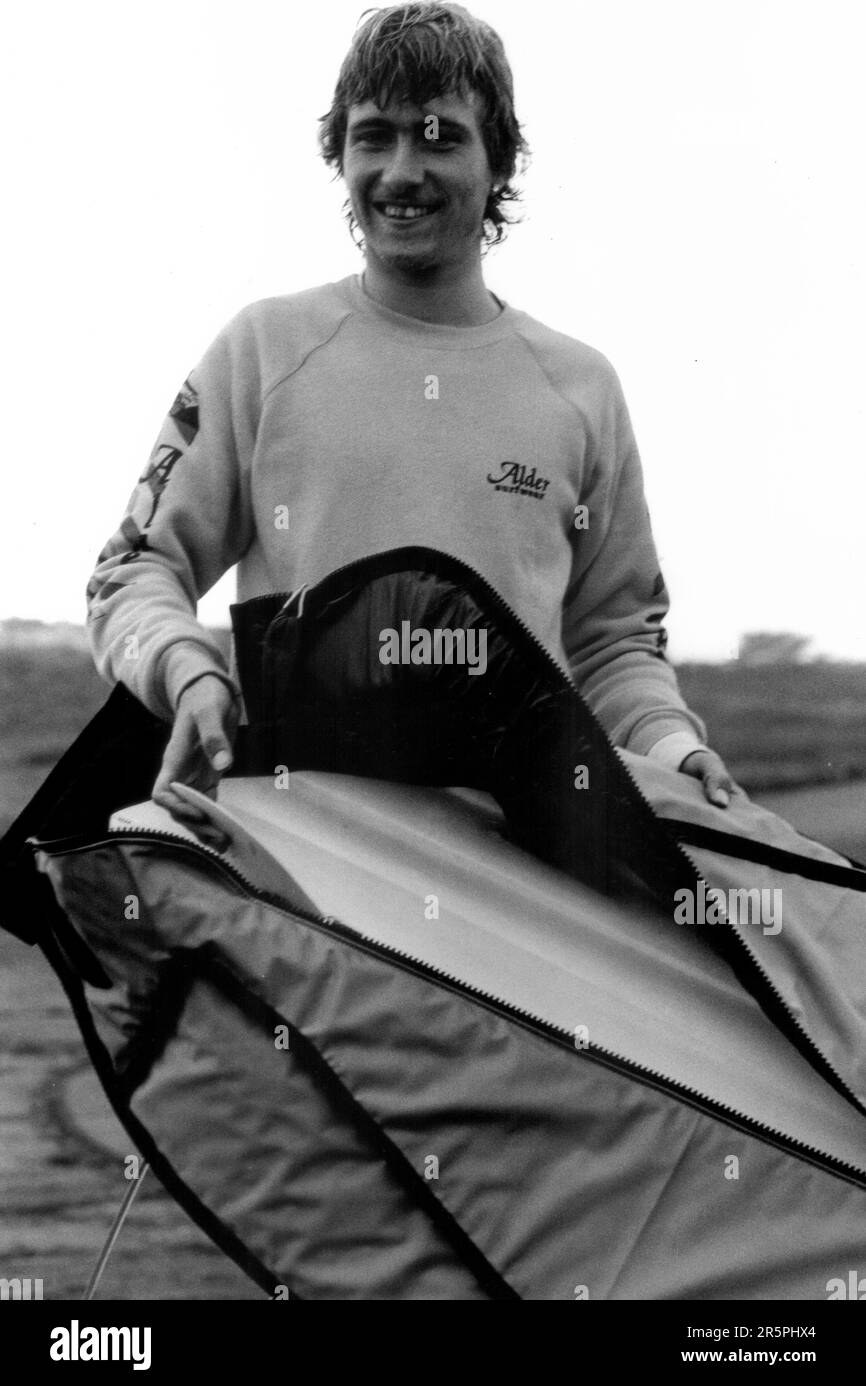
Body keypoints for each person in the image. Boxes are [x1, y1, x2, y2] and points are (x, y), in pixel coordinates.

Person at [85, 1, 737, 846]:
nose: (401, 171)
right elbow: (134, 571)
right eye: (374, 136)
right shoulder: (263, 349)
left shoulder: (579, 388)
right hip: (307, 857)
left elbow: (613, 640)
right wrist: (189, 672)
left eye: (439, 137)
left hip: (523, 868)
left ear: (498, 159)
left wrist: (672, 746)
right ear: (340, 154)